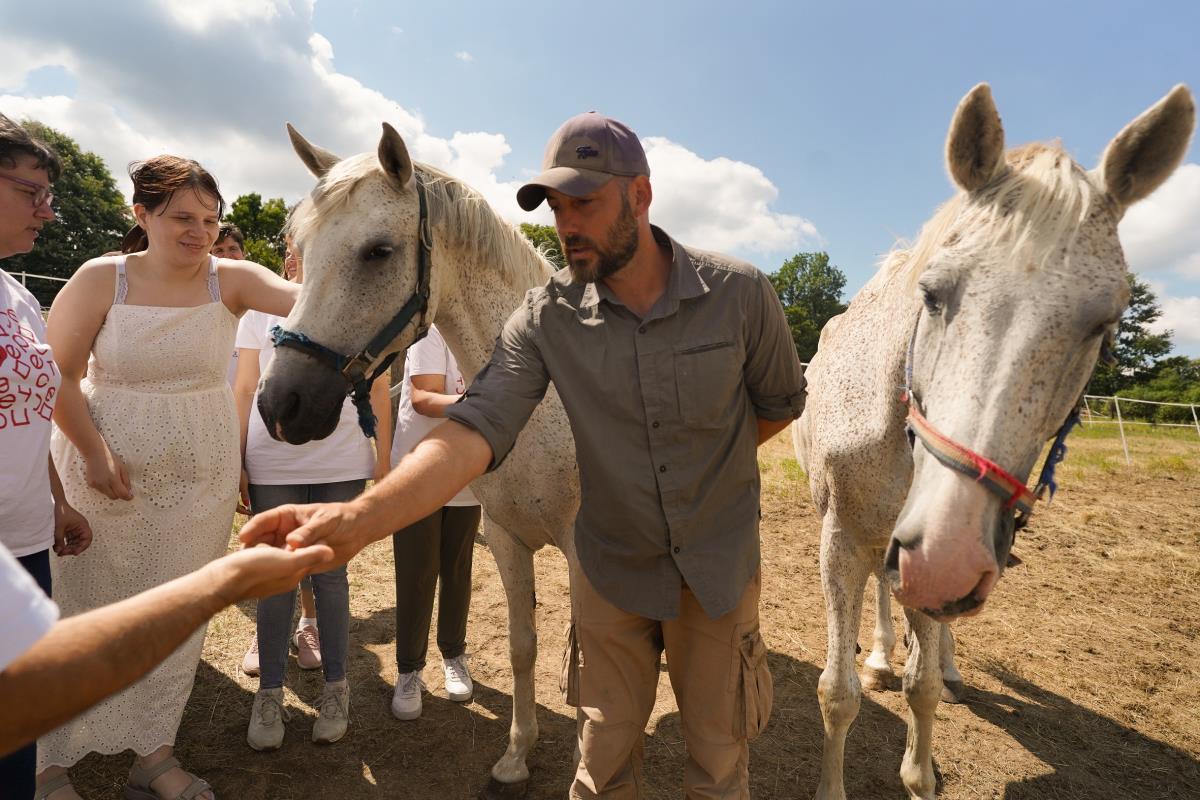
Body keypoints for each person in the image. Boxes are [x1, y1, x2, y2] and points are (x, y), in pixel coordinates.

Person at [241, 111, 806, 798]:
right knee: (601, 765)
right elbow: (475, 426)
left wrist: (694, 476)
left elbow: (779, 404)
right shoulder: (545, 318)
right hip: (609, 572)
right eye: (556, 207)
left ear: (640, 195)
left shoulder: (740, 294)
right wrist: (360, 519)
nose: (567, 224)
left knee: (717, 763)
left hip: (713, 570)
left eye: (585, 203)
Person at [40, 155, 300, 800]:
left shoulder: (231, 280)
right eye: (183, 217)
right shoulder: (101, 278)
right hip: (104, 474)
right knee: (81, 611)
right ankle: (47, 763)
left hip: (200, 477)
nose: (200, 232)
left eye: (210, 220)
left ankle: (154, 756)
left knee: (176, 619)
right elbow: (60, 375)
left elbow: (310, 300)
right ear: (143, 215)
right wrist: (94, 453)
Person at [233, 236, 391, 750]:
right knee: (274, 575)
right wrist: (238, 456)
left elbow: (379, 389)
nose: (303, 258)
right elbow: (244, 387)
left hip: (340, 460)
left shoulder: (359, 306)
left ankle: (336, 688)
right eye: (297, 249)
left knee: (331, 574)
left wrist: (383, 458)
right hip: (272, 460)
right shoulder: (259, 310)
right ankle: (269, 692)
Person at [0, 112, 92, 800]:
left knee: (16, 725)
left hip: (27, 541)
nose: (48, 211)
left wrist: (58, 500)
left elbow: (34, 415)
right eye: (30, 192)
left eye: (49, 195)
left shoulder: (21, 298)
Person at [389, 323, 481, 720]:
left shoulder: (485, 328)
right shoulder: (432, 331)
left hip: (466, 465)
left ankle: (453, 654)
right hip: (420, 469)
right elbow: (423, 397)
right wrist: (486, 402)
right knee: (417, 571)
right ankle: (409, 670)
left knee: (457, 568)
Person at [212, 223, 247, 386]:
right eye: (219, 250)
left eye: (233, 248)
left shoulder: (263, 302)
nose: (227, 256)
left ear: (243, 253)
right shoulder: (195, 302)